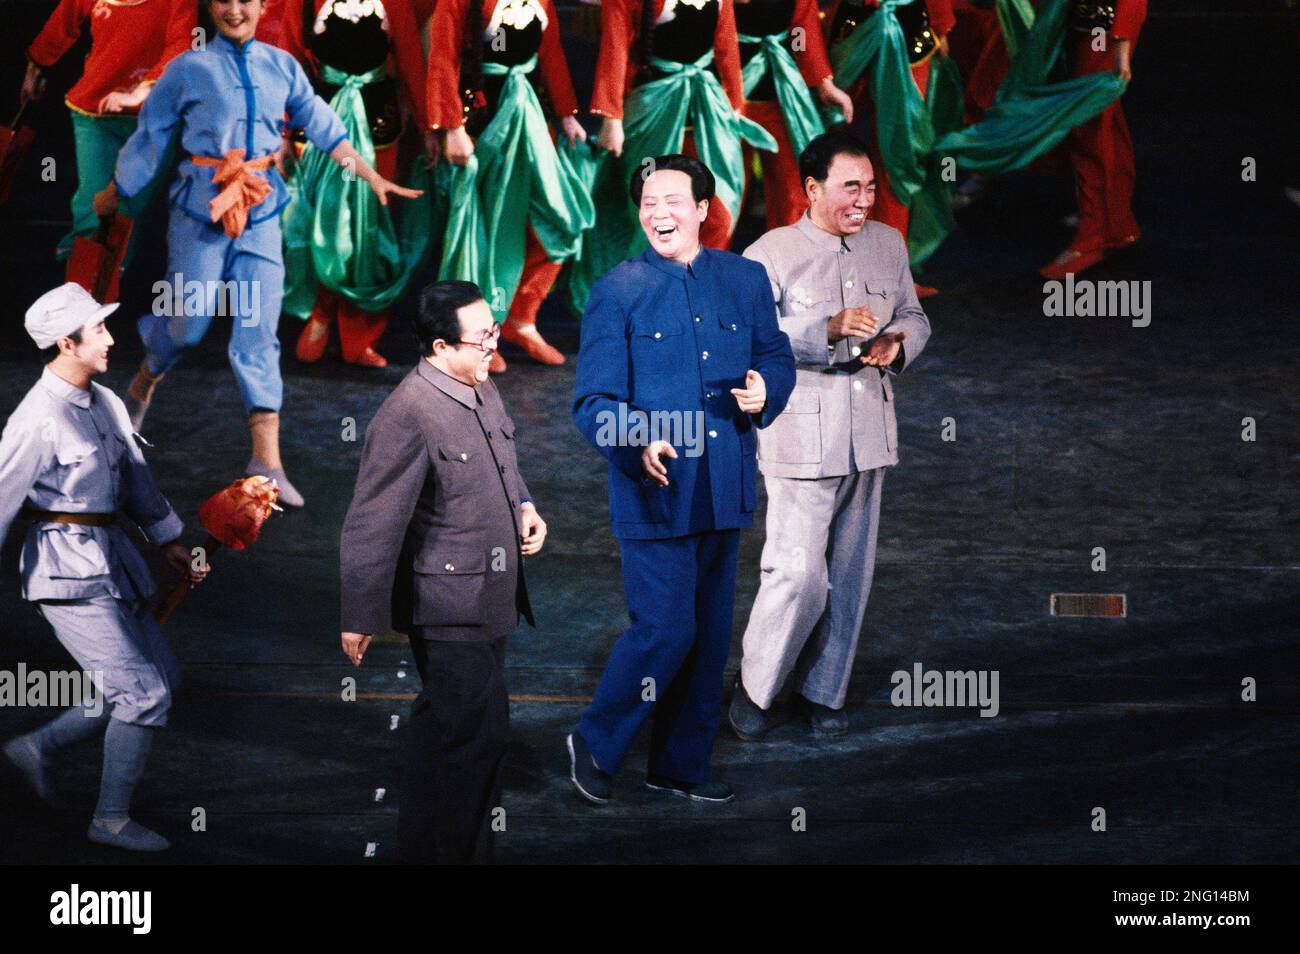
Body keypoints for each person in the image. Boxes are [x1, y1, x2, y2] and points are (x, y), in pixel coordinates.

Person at [92, 0, 420, 508]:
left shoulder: (280, 64)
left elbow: (325, 125)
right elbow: (151, 136)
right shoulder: (189, 67)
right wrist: (117, 190)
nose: (235, 9)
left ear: (262, 4)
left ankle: (266, 462)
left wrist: (370, 174)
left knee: (257, 330)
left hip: (262, 211)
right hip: (202, 209)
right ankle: (142, 383)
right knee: (188, 323)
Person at [568, 154, 795, 804]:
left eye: (674, 201)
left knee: (708, 640)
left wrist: (765, 390)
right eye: (648, 202)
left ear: (704, 209)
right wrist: (636, 436)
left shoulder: (745, 279)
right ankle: (595, 740)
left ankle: (680, 765)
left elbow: (775, 355)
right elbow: (592, 404)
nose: (659, 213)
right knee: (666, 630)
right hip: (654, 491)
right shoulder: (617, 289)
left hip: (725, 488)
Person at [729, 132, 930, 738]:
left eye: (869, 187)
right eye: (851, 187)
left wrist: (897, 344)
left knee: (848, 576)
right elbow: (749, 335)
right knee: (797, 574)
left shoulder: (888, 243)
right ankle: (757, 689)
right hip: (799, 439)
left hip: (869, 434)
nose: (863, 199)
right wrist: (827, 327)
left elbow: (915, 315)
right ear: (812, 188)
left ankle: (825, 691)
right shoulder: (771, 252)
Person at [338, 281, 548, 864]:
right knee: (480, 739)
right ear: (438, 345)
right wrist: (360, 616)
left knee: (445, 733)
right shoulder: (409, 413)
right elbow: (371, 522)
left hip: (492, 595)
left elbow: (504, 467)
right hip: (450, 607)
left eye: (494, 331)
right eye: (482, 338)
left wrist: (527, 507)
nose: (493, 346)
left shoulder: (479, 385)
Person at [0, 283, 209, 852]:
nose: (112, 338)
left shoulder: (108, 401)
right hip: (65, 575)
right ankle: (109, 820)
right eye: (99, 330)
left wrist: (170, 540)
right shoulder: (35, 420)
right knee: (142, 694)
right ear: (67, 343)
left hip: (114, 559)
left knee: (158, 679)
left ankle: (36, 747)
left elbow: (136, 479)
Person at [428, 0, 590, 373]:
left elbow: (550, 51)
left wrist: (566, 113)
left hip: (533, 123)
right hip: (486, 126)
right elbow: (443, 58)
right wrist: (451, 127)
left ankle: (522, 317)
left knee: (560, 220)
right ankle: (482, 330)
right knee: (490, 233)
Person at [279, 0, 431, 369]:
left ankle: (359, 333)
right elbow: (284, 64)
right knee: (322, 221)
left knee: (367, 230)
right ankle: (320, 311)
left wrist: (430, 128)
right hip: (316, 120)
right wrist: (280, 128)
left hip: (378, 121)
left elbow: (411, 60)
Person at [591, 0, 775, 253]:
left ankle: (699, 281)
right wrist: (611, 118)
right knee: (648, 215)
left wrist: (733, 106)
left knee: (719, 215)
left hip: (706, 113)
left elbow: (726, 44)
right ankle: (652, 283)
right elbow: (615, 48)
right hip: (652, 112)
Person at [21, 0, 192, 264]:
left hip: (155, 120)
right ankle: (82, 269)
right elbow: (62, 22)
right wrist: (36, 67)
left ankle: (108, 274)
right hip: (94, 111)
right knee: (93, 199)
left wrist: (141, 92)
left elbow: (181, 45)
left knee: (128, 206)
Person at [826, 0, 955, 296]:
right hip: (854, 38)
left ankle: (890, 273)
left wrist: (941, 26)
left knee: (897, 159)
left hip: (910, 40)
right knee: (835, 153)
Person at [1040, 0, 1146, 280]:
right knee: (1105, 125)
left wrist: (1121, 45)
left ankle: (1094, 236)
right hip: (1091, 28)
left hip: (1105, 31)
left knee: (1090, 129)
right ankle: (1117, 223)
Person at [734, 0, 854, 231]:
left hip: (782, 97)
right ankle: (702, 264)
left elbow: (802, 29)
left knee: (794, 190)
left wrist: (823, 83)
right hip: (727, 101)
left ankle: (788, 262)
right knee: (723, 196)